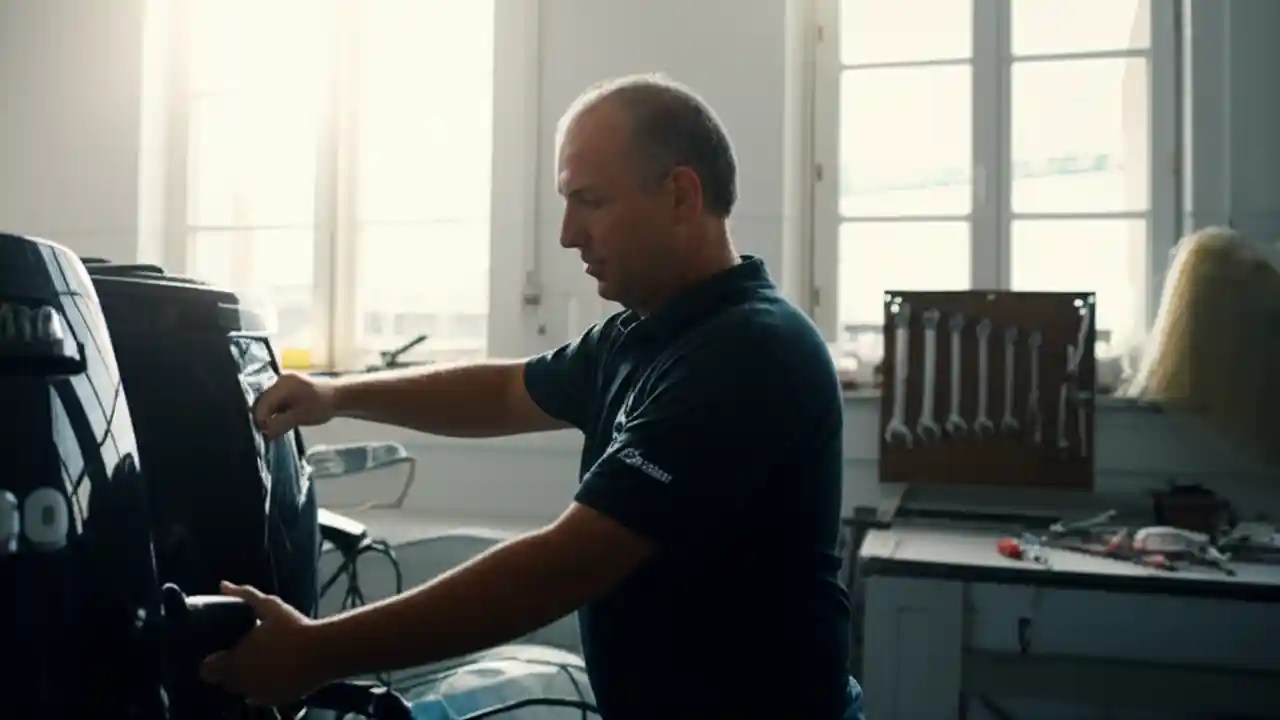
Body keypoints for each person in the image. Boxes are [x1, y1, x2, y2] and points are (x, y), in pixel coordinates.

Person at [200, 73, 863, 719]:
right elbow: (503, 391)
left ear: (681, 196)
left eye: (591, 201)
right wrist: (336, 395)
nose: (568, 234)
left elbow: (566, 565)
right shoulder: (644, 334)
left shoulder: (746, 352)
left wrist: (316, 652)